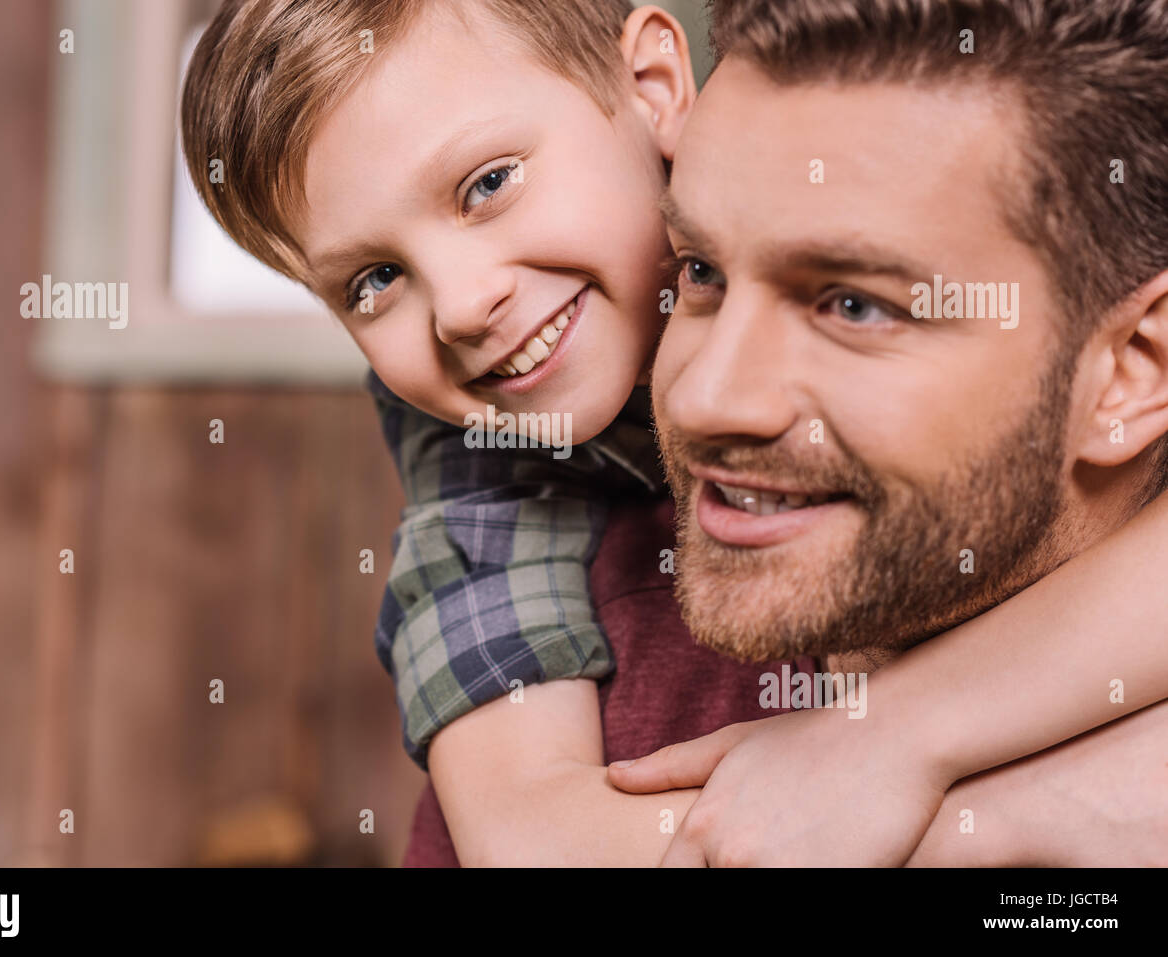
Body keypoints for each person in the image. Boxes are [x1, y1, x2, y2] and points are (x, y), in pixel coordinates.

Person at [180, 0, 1168, 865]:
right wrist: (1005, 825)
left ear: (656, 87)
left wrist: (900, 739)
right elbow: (532, 841)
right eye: (702, 272)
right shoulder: (493, 481)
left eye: (853, 306)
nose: (464, 307)